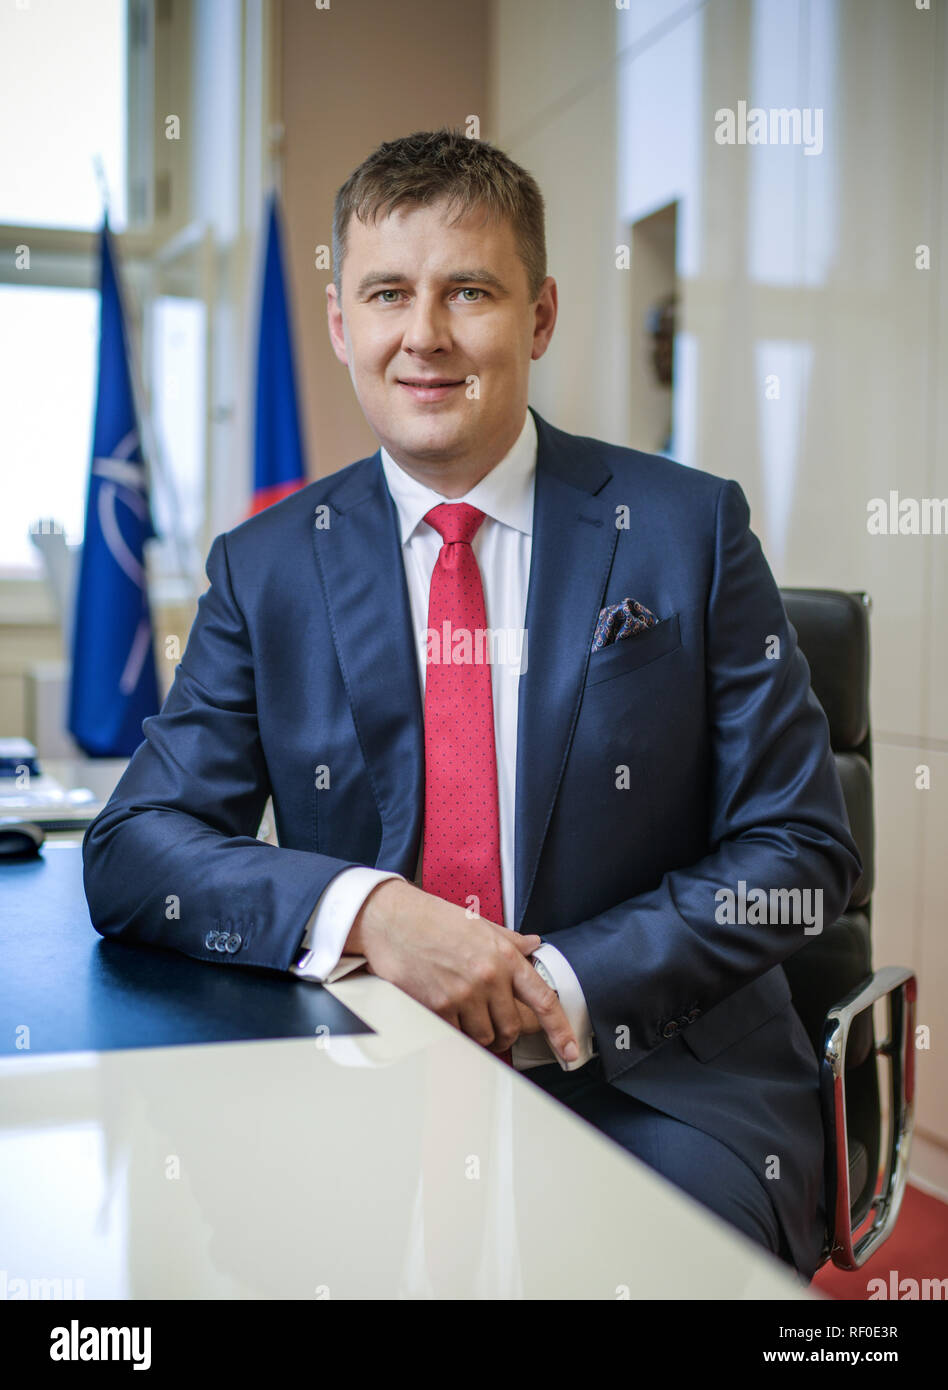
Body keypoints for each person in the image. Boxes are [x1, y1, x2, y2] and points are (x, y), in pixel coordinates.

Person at [83, 127, 862, 1282]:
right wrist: (371, 911)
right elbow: (134, 848)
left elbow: (801, 850)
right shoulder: (268, 568)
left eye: (470, 291)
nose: (425, 336)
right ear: (342, 324)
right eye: (387, 293)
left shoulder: (689, 529)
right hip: (359, 1071)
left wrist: (555, 982)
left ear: (539, 316)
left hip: (660, 1082)